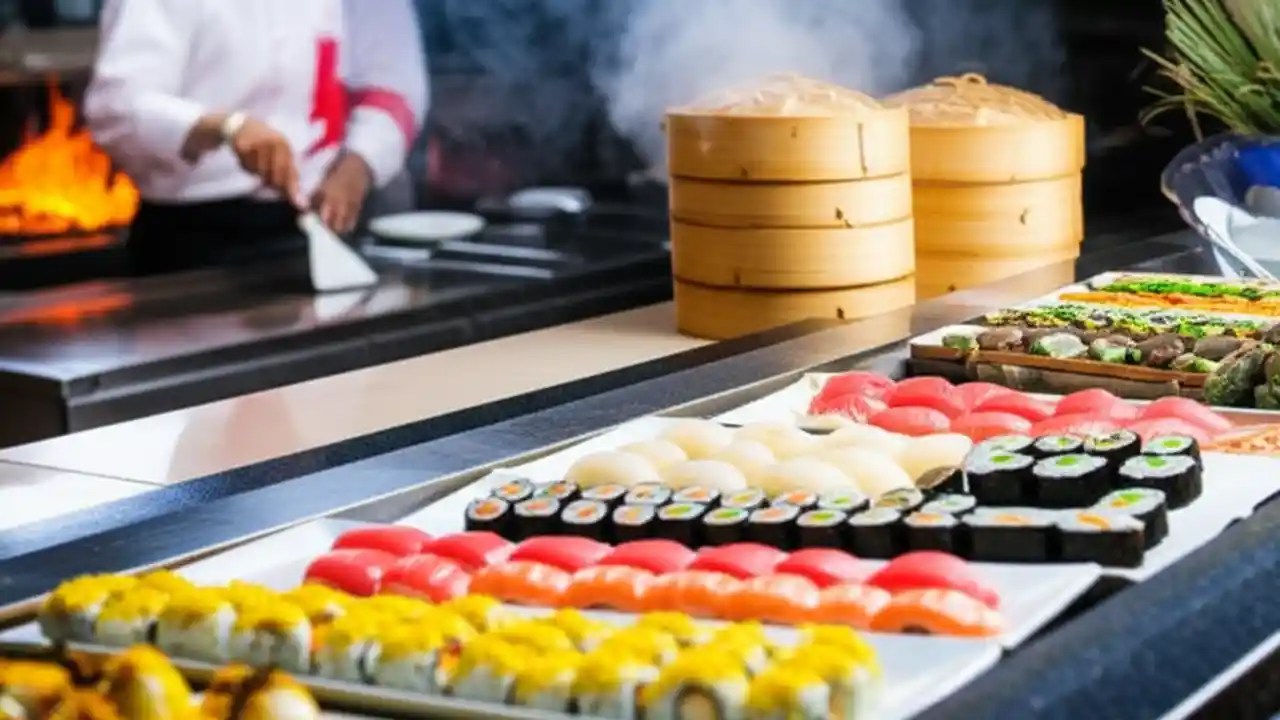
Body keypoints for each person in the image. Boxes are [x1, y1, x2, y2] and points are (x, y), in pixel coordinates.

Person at [85, 0, 428, 276]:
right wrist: (223, 127)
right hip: (194, 241)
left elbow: (394, 85)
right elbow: (116, 105)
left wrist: (357, 167)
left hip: (320, 227)